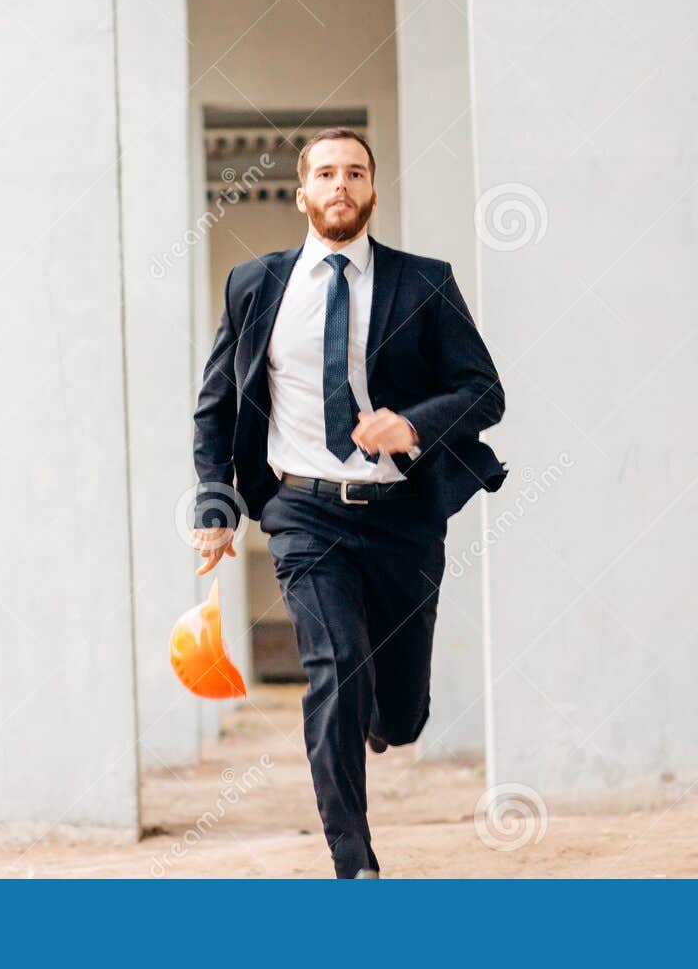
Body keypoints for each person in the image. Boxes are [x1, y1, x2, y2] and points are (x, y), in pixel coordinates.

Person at [190, 127, 508, 878]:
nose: (341, 185)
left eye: (355, 172)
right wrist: (216, 505)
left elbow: (484, 392)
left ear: (371, 189)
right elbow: (214, 407)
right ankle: (354, 862)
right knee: (333, 666)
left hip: (401, 516)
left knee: (399, 710)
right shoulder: (256, 284)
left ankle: (382, 712)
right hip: (304, 513)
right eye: (326, 173)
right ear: (301, 193)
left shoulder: (423, 281)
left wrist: (413, 423)